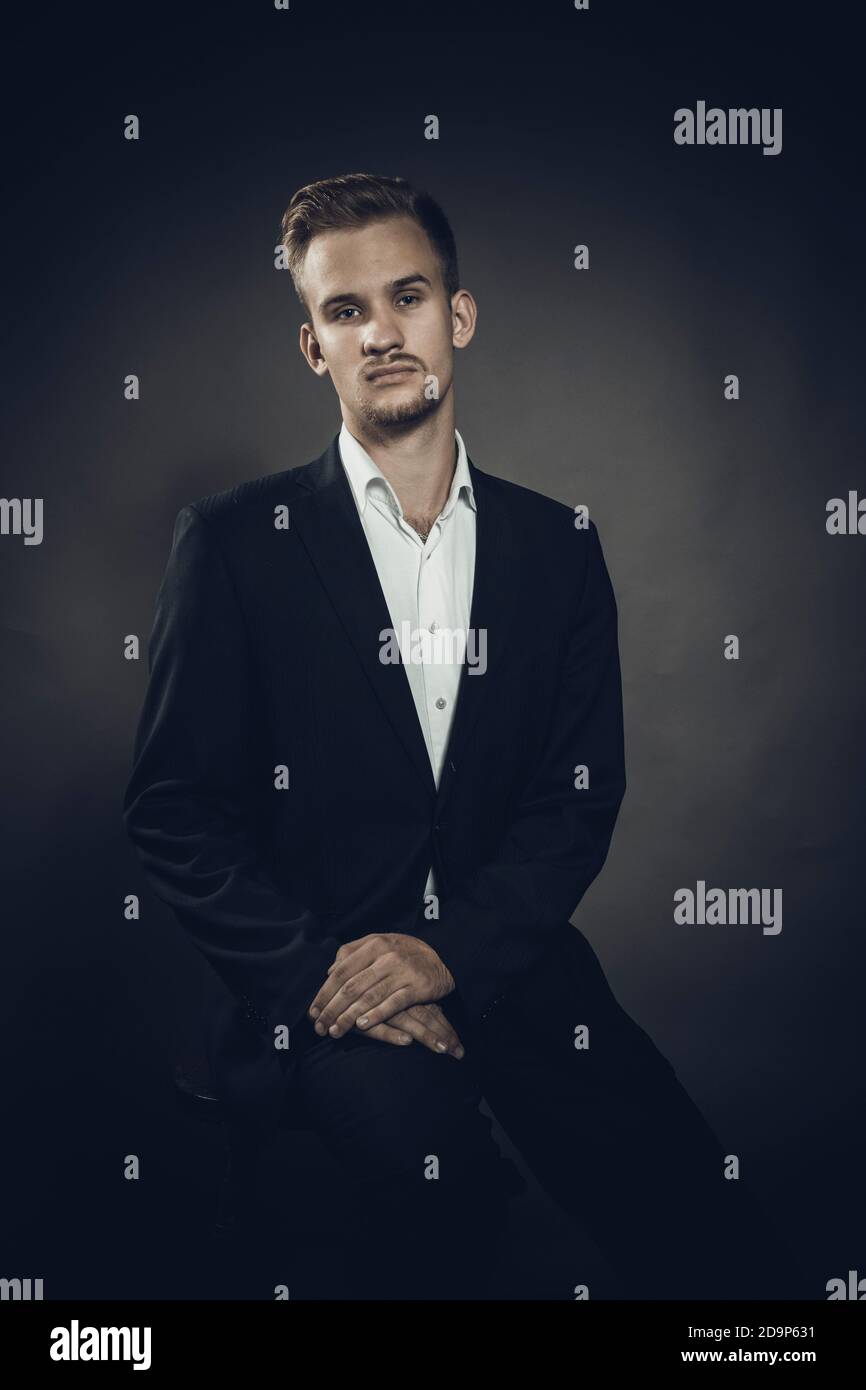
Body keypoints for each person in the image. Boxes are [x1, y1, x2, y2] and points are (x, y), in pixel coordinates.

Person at [123, 171, 805, 1300]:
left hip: (513, 967)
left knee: (699, 1213)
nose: (381, 332)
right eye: (346, 311)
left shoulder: (556, 546)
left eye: (407, 297)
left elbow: (577, 798)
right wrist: (320, 977)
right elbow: (174, 807)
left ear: (459, 316)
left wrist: (447, 952)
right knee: (444, 1202)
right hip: (324, 987)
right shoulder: (235, 543)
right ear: (312, 345)